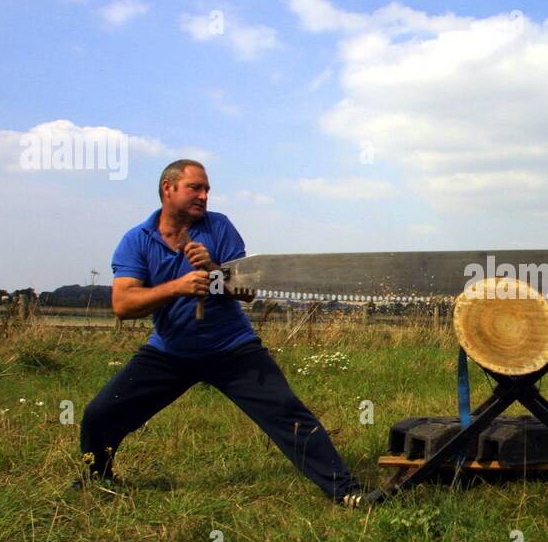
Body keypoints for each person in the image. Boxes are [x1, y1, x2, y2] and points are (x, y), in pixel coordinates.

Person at [76, 159, 367, 508]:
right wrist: (179, 287)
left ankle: (346, 491)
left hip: (232, 349)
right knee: (100, 415)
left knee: (288, 414)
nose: (203, 196)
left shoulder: (219, 228)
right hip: (170, 352)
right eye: (195, 188)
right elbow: (123, 304)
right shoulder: (137, 240)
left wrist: (215, 270)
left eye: (206, 189)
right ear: (168, 189)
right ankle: (97, 481)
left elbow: (247, 293)